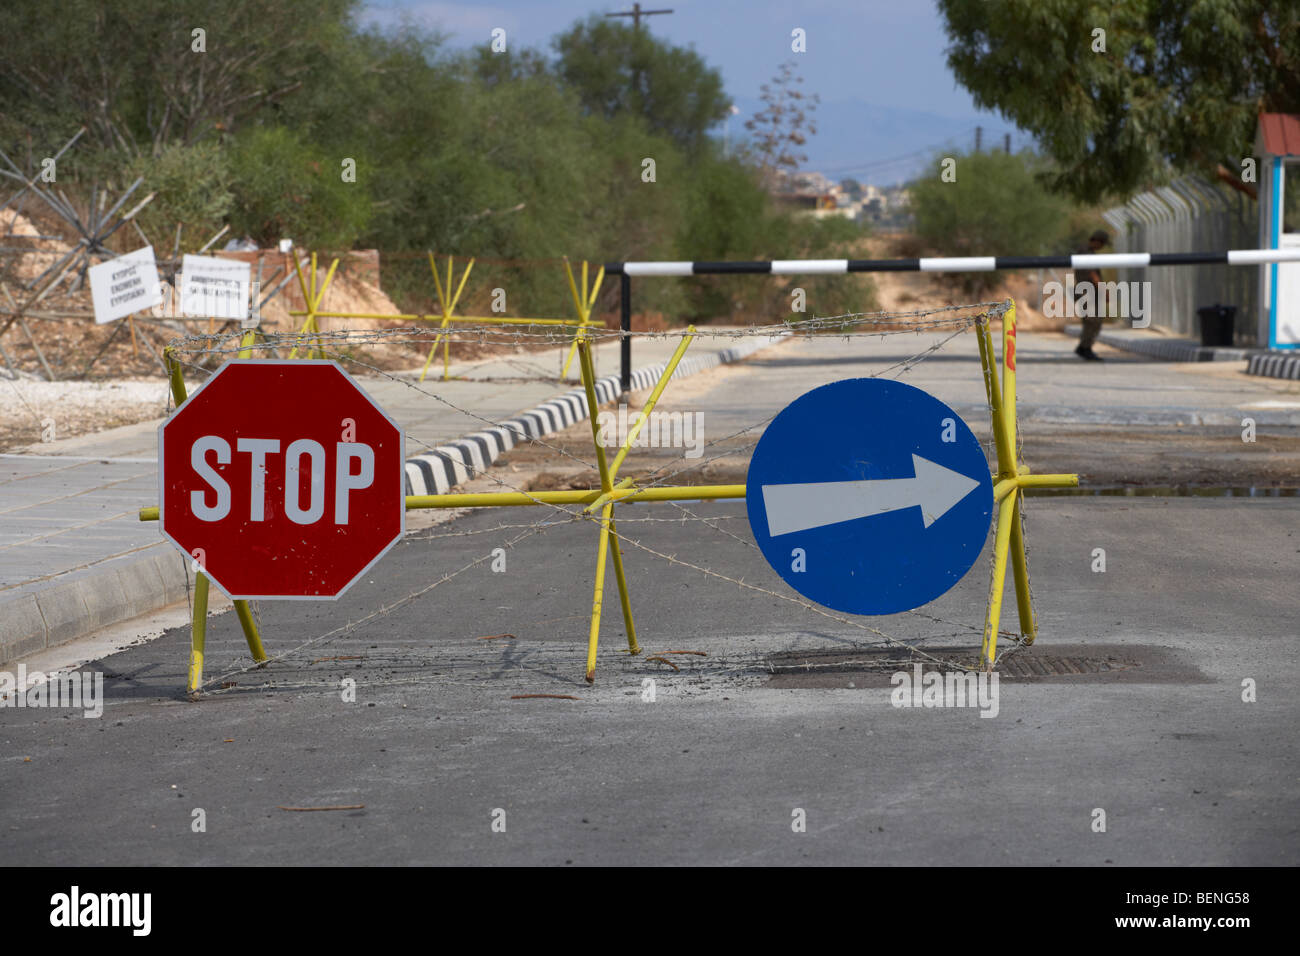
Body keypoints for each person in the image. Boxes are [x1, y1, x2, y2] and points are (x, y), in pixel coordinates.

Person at [1074, 229, 1109, 361]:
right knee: (1093, 321)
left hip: (1088, 292)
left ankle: (1084, 347)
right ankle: (1085, 348)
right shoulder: (1085, 251)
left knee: (1093, 321)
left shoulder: (1086, 250)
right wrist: (1103, 290)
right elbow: (1092, 274)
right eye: (1103, 244)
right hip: (1086, 292)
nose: (1102, 247)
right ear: (1097, 241)